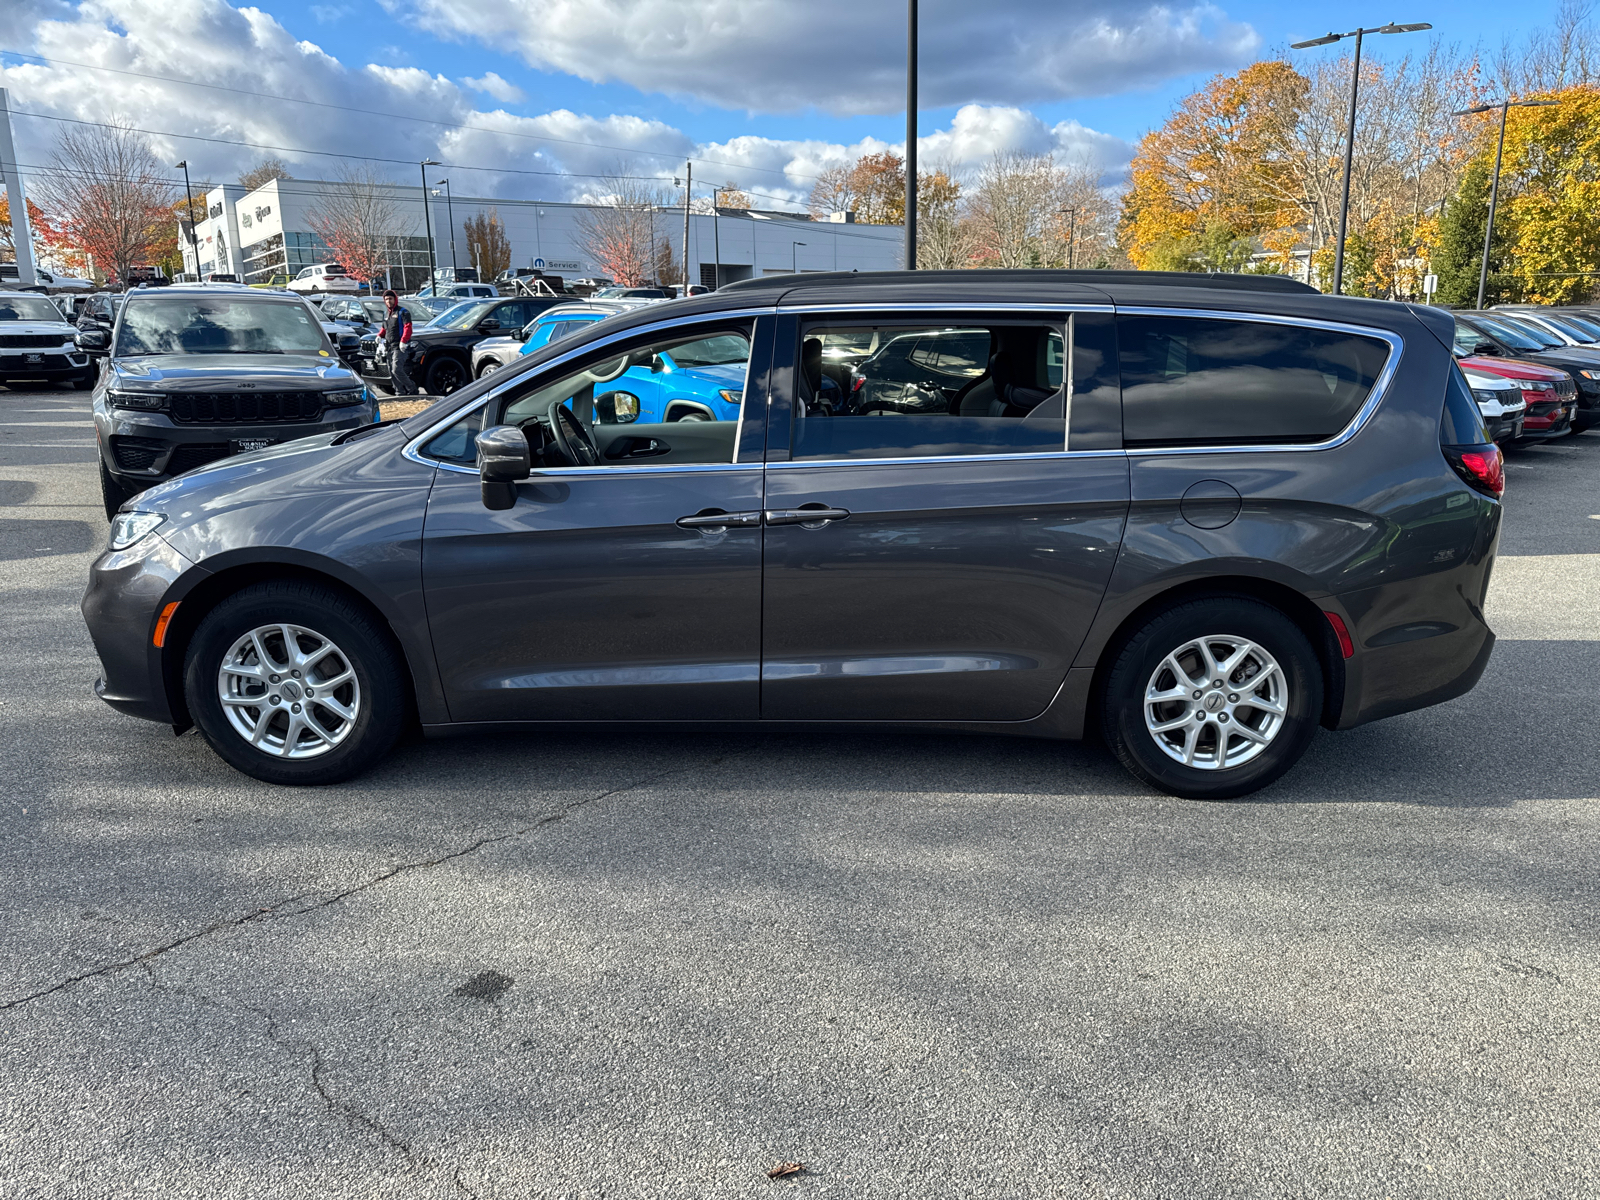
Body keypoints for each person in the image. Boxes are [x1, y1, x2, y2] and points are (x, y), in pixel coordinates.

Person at [380, 289, 418, 395]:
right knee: (391, 371)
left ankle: (412, 388)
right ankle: (399, 392)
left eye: (390, 299)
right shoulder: (386, 314)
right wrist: (379, 336)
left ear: (395, 299)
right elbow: (384, 328)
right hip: (389, 346)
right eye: (386, 299)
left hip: (400, 346)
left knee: (396, 369)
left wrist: (404, 341)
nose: (388, 301)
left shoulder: (403, 312)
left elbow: (408, 327)